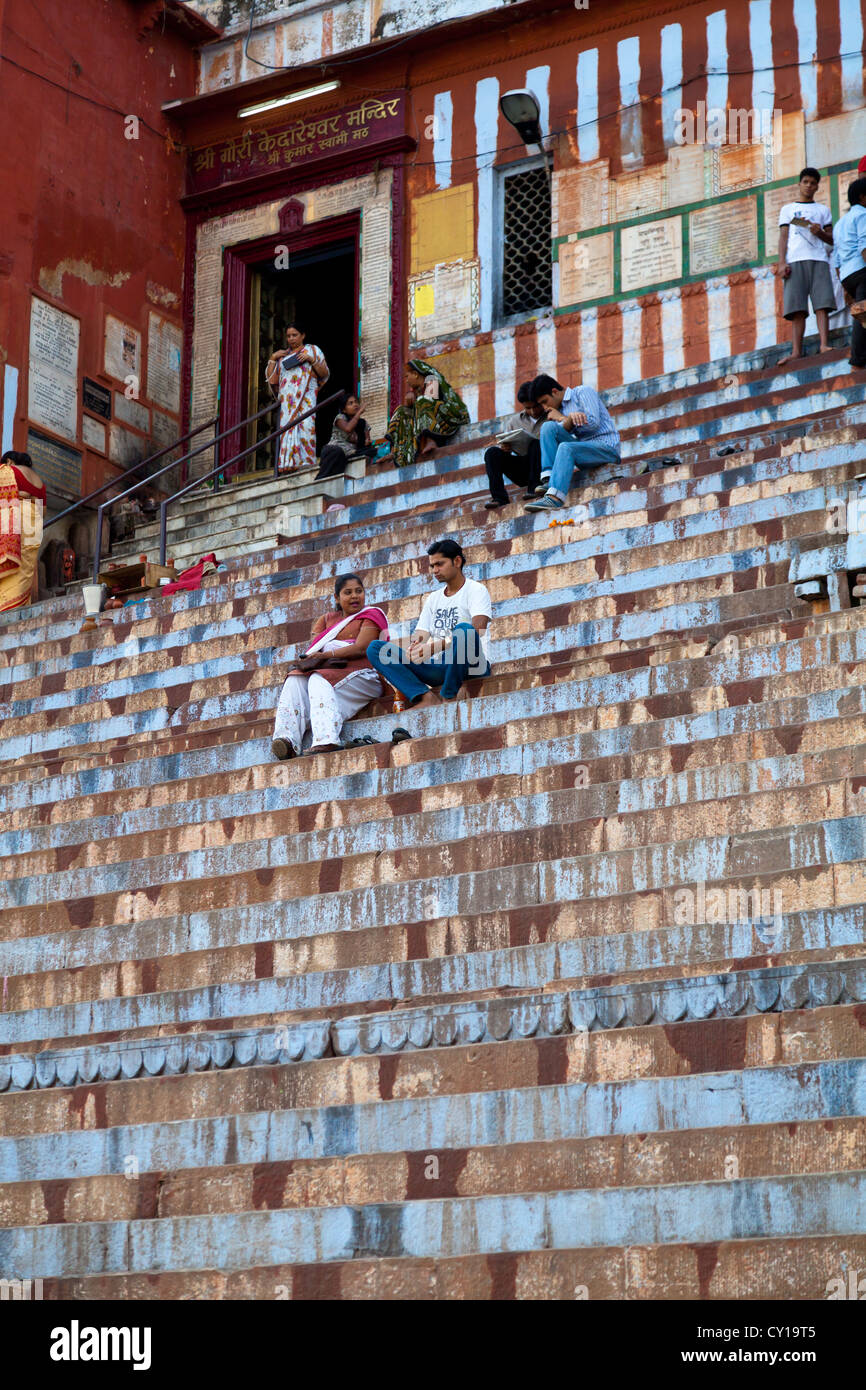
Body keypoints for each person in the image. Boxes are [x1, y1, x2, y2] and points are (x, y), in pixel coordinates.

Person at [272, 574, 388, 759]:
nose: (354, 596)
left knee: (318, 678)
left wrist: (327, 654)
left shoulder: (371, 615)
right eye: (348, 592)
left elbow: (361, 647)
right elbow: (314, 651)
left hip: (364, 675)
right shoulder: (326, 620)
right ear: (336, 597)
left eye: (359, 591)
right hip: (332, 673)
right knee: (295, 679)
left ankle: (326, 740)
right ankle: (287, 740)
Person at [367, 538, 491, 708]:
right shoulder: (434, 598)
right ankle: (425, 697)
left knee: (464, 629)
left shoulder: (476, 590)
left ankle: (448, 696)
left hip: (472, 665)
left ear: (457, 561)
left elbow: (478, 630)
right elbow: (419, 637)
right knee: (375, 648)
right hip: (441, 668)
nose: (435, 570)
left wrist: (434, 647)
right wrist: (410, 648)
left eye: (439, 564)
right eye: (432, 566)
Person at [524, 374, 621, 512]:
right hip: (584, 453)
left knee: (566, 448)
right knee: (548, 427)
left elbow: (593, 423)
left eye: (545, 402)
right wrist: (566, 419)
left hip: (607, 449)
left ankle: (555, 498)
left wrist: (565, 419)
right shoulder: (559, 410)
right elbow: (565, 431)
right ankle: (549, 479)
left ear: (554, 392)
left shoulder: (582, 392)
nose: (545, 407)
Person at [776, 168, 835, 363]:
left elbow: (832, 240)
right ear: (799, 184)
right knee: (797, 309)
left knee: (822, 305)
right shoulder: (788, 209)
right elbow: (783, 237)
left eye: (813, 183)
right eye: (806, 182)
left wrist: (820, 233)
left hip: (819, 260)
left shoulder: (823, 210)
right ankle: (796, 352)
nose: (809, 185)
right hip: (794, 261)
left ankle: (824, 344)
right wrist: (782, 262)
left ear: (817, 186)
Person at [265, 322, 330, 473]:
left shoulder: (313, 350)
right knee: (287, 430)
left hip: (306, 399)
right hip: (287, 403)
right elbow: (272, 381)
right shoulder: (283, 356)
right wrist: (273, 358)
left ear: (303, 335)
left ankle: (306, 464)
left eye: (294, 335)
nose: (291, 339)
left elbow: (324, 373)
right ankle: (287, 465)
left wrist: (310, 360)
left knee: (306, 428)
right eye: (288, 336)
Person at [382, 360, 469, 468]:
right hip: (431, 413)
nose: (406, 380)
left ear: (415, 374)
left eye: (407, 376)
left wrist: (414, 399)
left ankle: (430, 439)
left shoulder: (431, 379)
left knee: (423, 401)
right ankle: (395, 451)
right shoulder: (415, 390)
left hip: (449, 415)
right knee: (401, 410)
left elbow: (430, 400)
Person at [483, 381, 544, 509]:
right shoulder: (514, 421)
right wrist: (506, 449)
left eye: (536, 406)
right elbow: (507, 447)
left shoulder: (551, 415)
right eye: (528, 408)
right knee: (492, 453)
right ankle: (499, 498)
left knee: (535, 444)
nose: (533, 411)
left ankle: (534, 489)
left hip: (544, 469)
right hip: (523, 470)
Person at [0, 450, 46, 612]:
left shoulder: (7, 471)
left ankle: (5, 609)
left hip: (16, 517)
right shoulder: (40, 480)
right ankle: (19, 606)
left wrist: (18, 494)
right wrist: (30, 497)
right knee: (26, 567)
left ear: (9, 461)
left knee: (12, 562)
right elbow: (44, 509)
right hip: (36, 521)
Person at [833, 178, 866, 369]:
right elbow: (864, 245)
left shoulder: (840, 223)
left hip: (847, 275)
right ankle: (858, 359)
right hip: (861, 270)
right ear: (862, 197)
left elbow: (837, 259)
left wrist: (844, 287)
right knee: (863, 313)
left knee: (862, 312)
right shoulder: (862, 215)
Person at [315, 392, 375, 480]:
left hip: (351, 453)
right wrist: (359, 413)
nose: (355, 405)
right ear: (344, 410)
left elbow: (367, 441)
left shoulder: (363, 423)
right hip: (333, 451)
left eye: (355, 402)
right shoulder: (340, 418)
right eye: (350, 403)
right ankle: (320, 480)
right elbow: (348, 428)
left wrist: (367, 441)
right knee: (337, 452)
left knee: (372, 451)